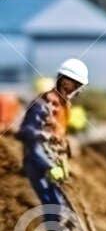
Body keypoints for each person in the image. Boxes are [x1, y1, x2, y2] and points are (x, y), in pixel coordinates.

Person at [18, 59, 88, 216]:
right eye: (75, 85)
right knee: (53, 204)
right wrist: (49, 165)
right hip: (38, 162)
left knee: (61, 203)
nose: (77, 90)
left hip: (55, 161)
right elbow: (25, 133)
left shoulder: (64, 105)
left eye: (79, 86)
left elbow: (58, 132)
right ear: (63, 81)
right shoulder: (41, 105)